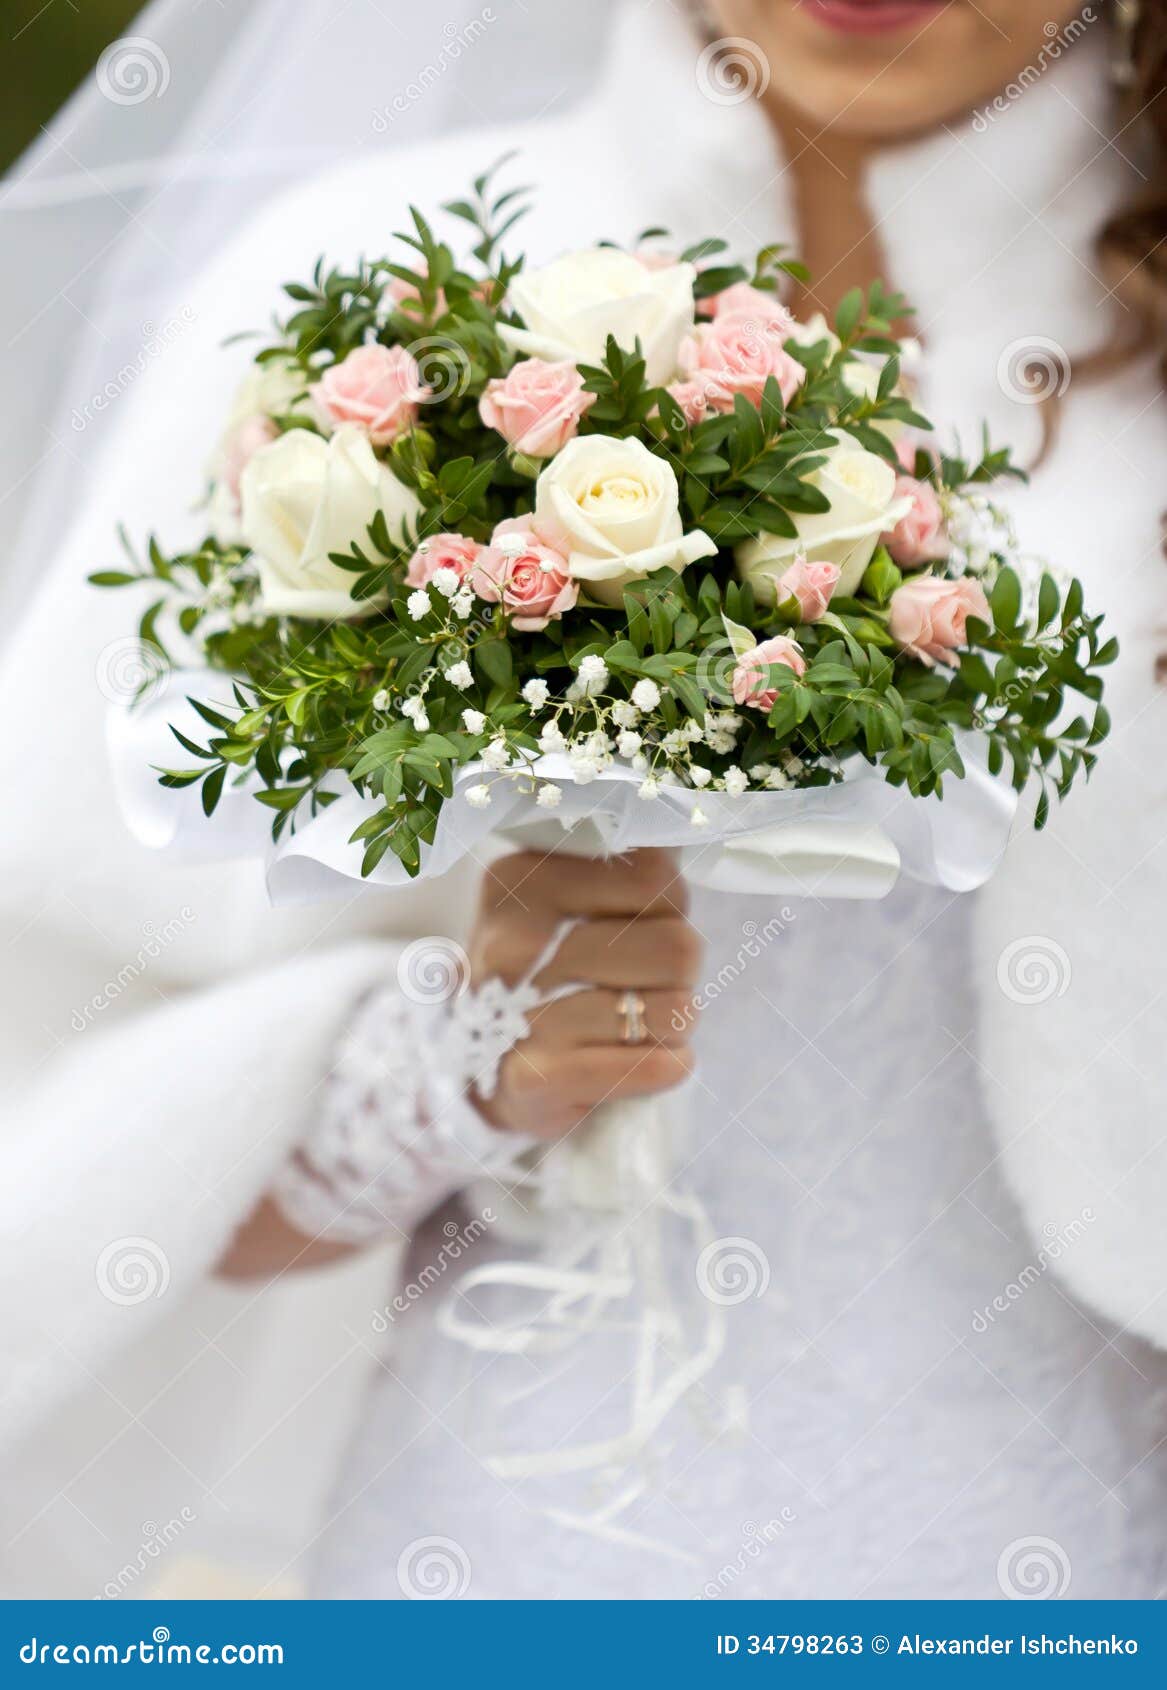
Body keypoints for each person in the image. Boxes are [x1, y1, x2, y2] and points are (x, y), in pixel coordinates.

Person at [0, 0, 1163, 1599]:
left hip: (1066, 1558)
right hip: (510, 1546)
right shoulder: (353, 302)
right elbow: (67, 1144)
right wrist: (460, 1054)